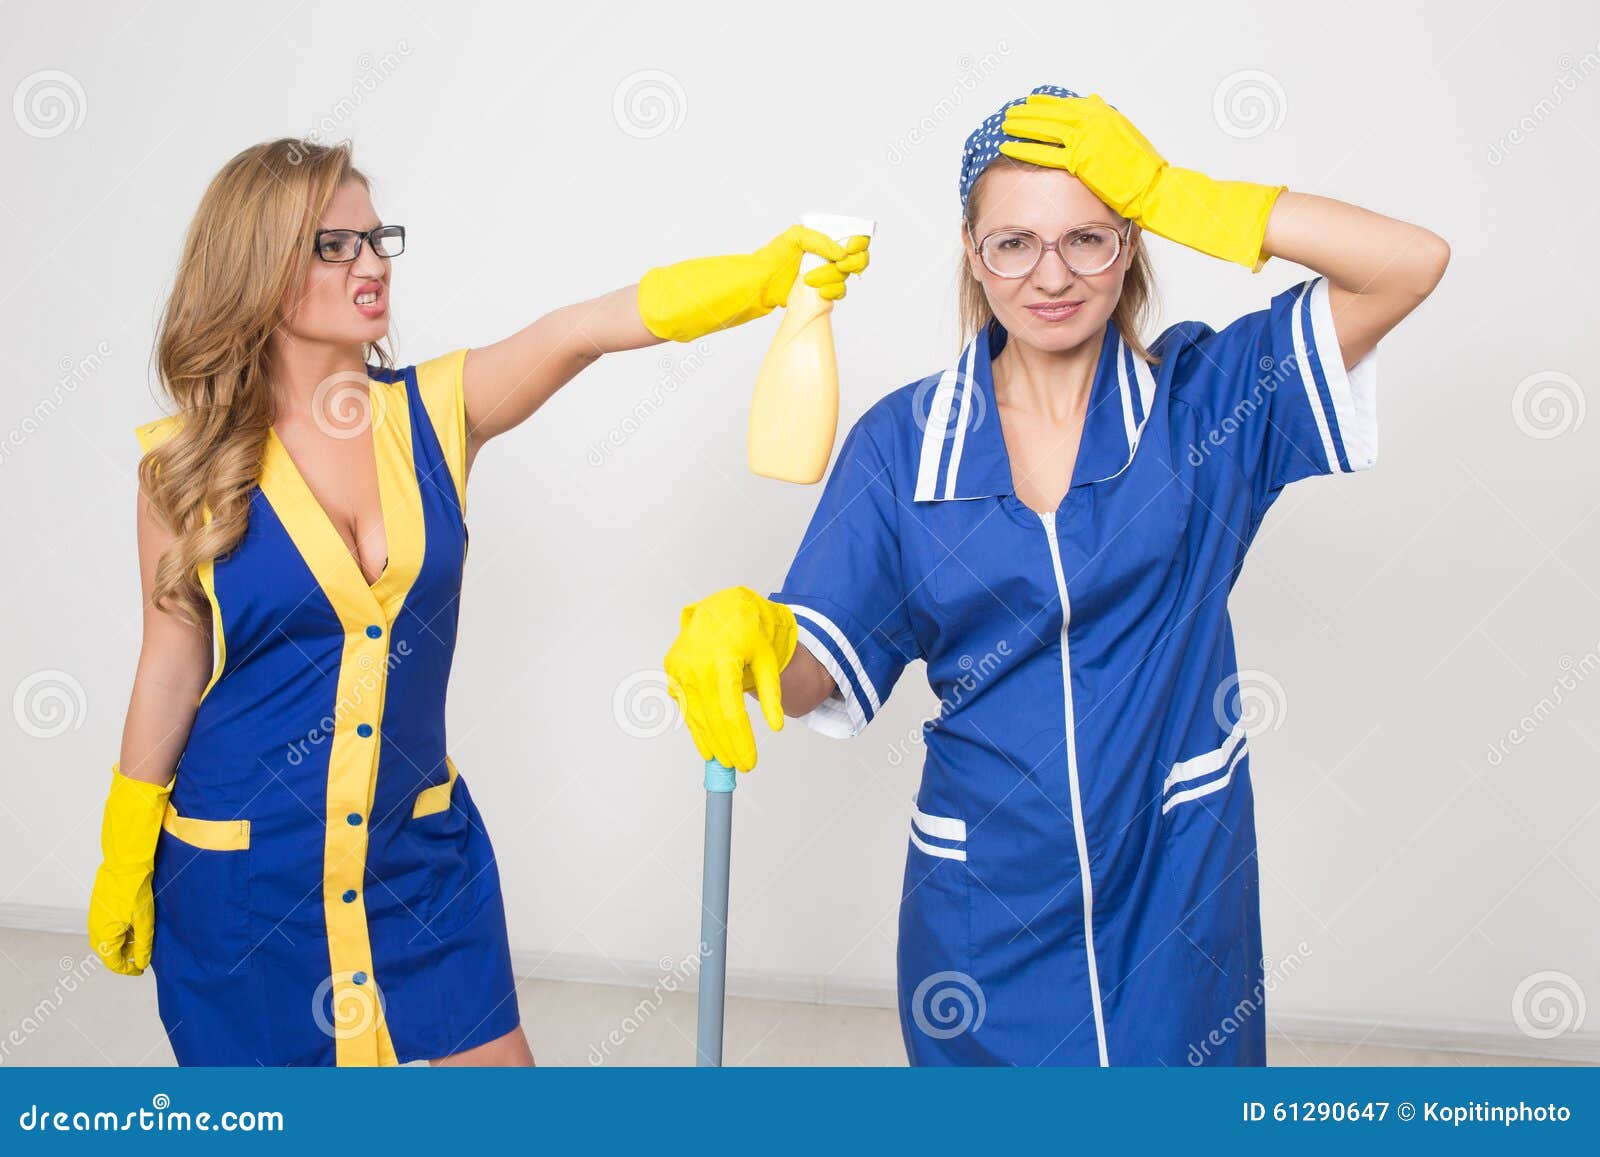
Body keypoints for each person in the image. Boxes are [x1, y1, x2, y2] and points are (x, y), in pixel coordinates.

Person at [663, 85, 1448, 1066]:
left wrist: (1176, 189)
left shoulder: (1205, 408)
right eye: (1014, 242)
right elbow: (813, 667)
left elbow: (1409, 264)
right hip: (982, 918)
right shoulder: (904, 446)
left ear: (1131, 243)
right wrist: (759, 637)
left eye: (1088, 238)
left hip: (1175, 899)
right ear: (969, 251)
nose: (1051, 274)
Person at [87, 137, 868, 1067]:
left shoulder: (434, 412)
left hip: (418, 857)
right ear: (256, 267)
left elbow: (579, 329)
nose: (373, 263)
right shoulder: (183, 466)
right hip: (247, 874)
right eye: (334, 245)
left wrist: (757, 279)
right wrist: (126, 846)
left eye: (378, 239)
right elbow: (170, 668)